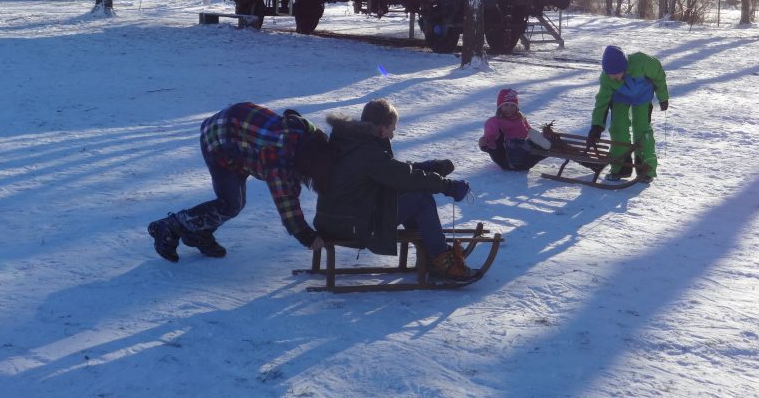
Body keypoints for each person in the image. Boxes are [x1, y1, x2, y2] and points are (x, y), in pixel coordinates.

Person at [313, 98, 477, 283]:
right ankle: (439, 259)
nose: (393, 135)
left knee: (408, 194)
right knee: (420, 198)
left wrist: (429, 167)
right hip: (352, 225)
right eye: (393, 129)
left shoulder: (350, 143)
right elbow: (401, 176)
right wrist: (449, 187)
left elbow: (391, 171)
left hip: (334, 219)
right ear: (382, 129)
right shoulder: (366, 151)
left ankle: (432, 252)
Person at [147, 102, 331, 263]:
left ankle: (198, 232)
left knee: (234, 202)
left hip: (243, 136)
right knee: (231, 204)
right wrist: (305, 235)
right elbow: (285, 198)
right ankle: (169, 226)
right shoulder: (278, 158)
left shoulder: (311, 136)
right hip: (219, 138)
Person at [587, 46, 669, 182]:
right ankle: (621, 168)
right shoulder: (607, 79)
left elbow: (659, 75)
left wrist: (663, 97)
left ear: (624, 67)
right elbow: (602, 102)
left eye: (617, 74)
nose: (614, 78)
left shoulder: (642, 62)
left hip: (643, 96)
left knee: (642, 129)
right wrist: (596, 126)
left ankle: (646, 168)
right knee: (618, 128)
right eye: (610, 75)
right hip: (620, 98)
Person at [478, 88, 551, 171]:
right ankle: (533, 148)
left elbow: (529, 131)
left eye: (513, 105)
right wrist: (485, 143)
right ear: (500, 107)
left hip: (524, 156)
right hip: (506, 159)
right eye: (506, 105)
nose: (510, 108)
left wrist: (538, 138)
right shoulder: (493, 122)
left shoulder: (520, 118)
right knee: (514, 142)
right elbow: (490, 141)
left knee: (543, 146)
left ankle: (546, 146)